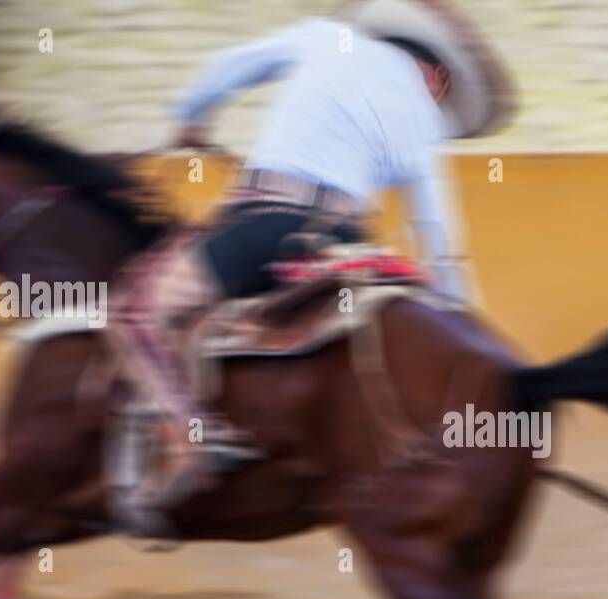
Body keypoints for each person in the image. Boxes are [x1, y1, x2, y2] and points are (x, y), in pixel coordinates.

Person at [109, 0, 514, 519]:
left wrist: (191, 118)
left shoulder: (326, 39)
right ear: (435, 73)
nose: (440, 106)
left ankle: (186, 436)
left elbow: (230, 67)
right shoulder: (422, 121)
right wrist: (462, 319)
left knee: (136, 309)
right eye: (445, 96)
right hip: (344, 245)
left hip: (267, 225)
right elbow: (436, 231)